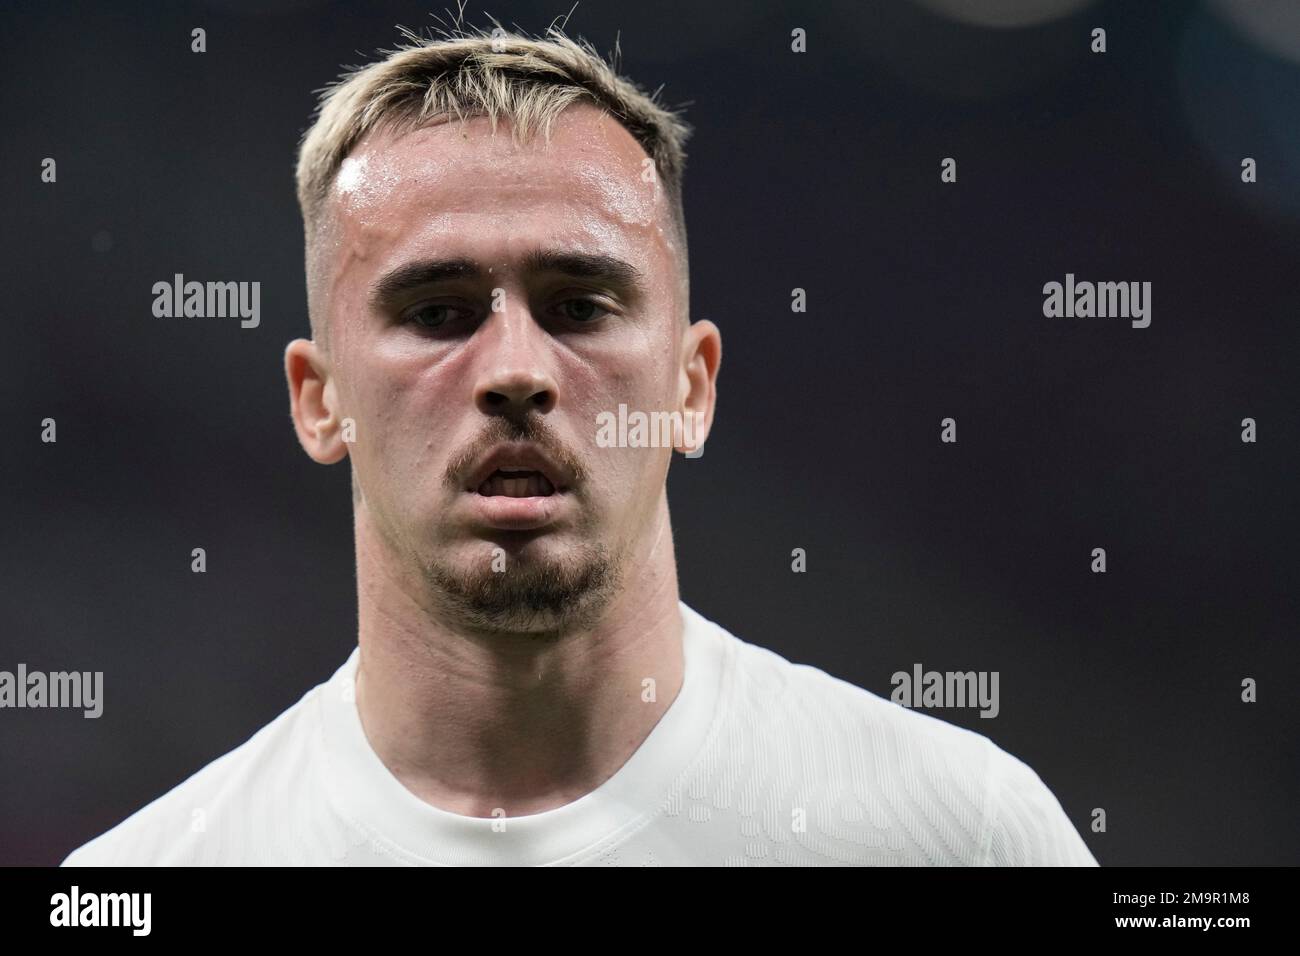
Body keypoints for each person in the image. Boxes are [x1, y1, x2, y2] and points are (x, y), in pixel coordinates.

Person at [62, 25, 1097, 866]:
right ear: (318, 398)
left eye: (579, 303)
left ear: (692, 386)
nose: (517, 368)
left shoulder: (960, 834)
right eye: (437, 310)